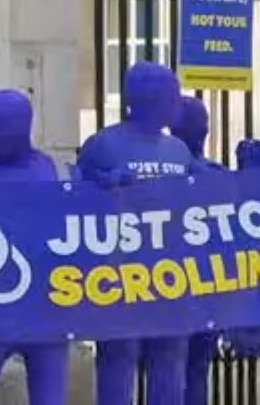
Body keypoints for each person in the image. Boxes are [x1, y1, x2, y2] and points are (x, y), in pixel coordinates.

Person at [78, 62, 196, 405]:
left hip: (172, 277)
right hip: (119, 278)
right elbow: (73, 207)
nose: (179, 101)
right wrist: (101, 189)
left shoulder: (179, 150)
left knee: (170, 364)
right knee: (119, 361)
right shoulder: (102, 145)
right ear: (155, 98)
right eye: (174, 94)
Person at [0, 89, 69, 405]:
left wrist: (110, 189)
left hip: (47, 310)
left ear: (25, 126)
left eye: (2, 126)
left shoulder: (62, 174)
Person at [169, 95, 224, 405]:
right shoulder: (218, 175)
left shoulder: (163, 177)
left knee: (169, 366)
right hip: (209, 287)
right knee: (196, 369)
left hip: (169, 285)